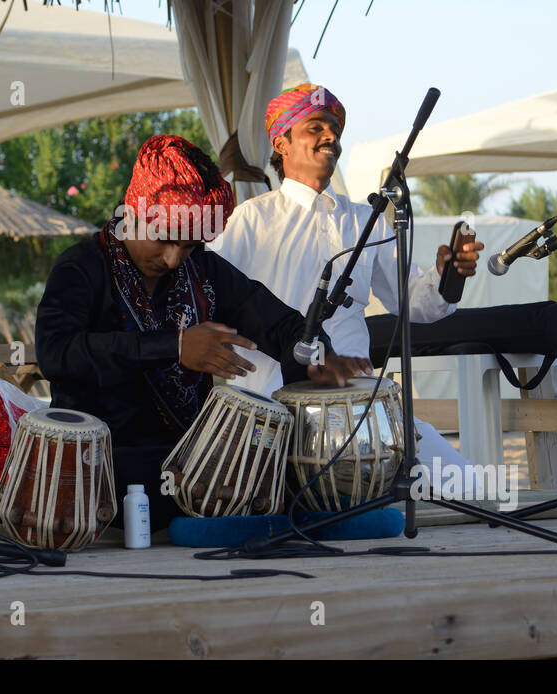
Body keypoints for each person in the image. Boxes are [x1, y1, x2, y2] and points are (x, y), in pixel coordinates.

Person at [34, 134, 364, 527]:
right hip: (102, 463)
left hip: (190, 459)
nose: (174, 258)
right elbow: (56, 352)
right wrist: (172, 347)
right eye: (164, 240)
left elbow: (279, 322)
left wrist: (315, 356)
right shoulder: (82, 267)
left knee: (283, 467)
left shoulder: (202, 270)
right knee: (228, 483)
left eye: (188, 245)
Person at [207, 83, 484, 469]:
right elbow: (205, 295)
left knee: (465, 483)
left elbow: (416, 304)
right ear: (281, 144)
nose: (331, 136)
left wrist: (445, 276)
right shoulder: (251, 219)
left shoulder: (363, 220)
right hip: (271, 413)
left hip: (359, 411)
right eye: (315, 127)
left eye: (334, 129)